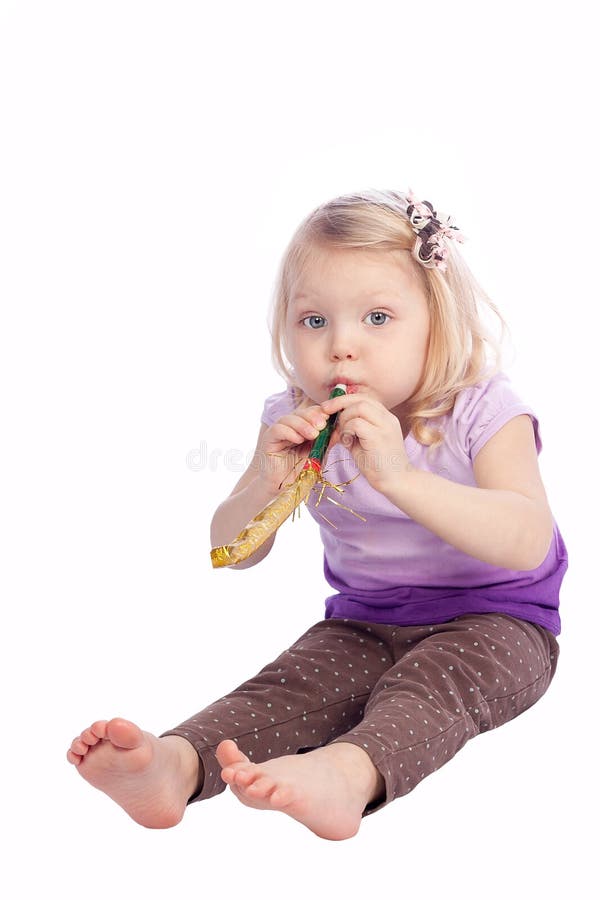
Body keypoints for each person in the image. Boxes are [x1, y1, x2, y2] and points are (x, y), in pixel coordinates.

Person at [66, 189, 567, 841]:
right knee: (289, 685)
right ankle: (177, 766)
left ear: (436, 323)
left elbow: (527, 539)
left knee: (426, 687)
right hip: (364, 620)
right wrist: (266, 484)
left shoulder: (481, 410)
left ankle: (348, 775)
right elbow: (232, 548)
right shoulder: (293, 417)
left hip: (501, 625)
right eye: (314, 321)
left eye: (378, 318)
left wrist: (400, 477)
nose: (341, 347)